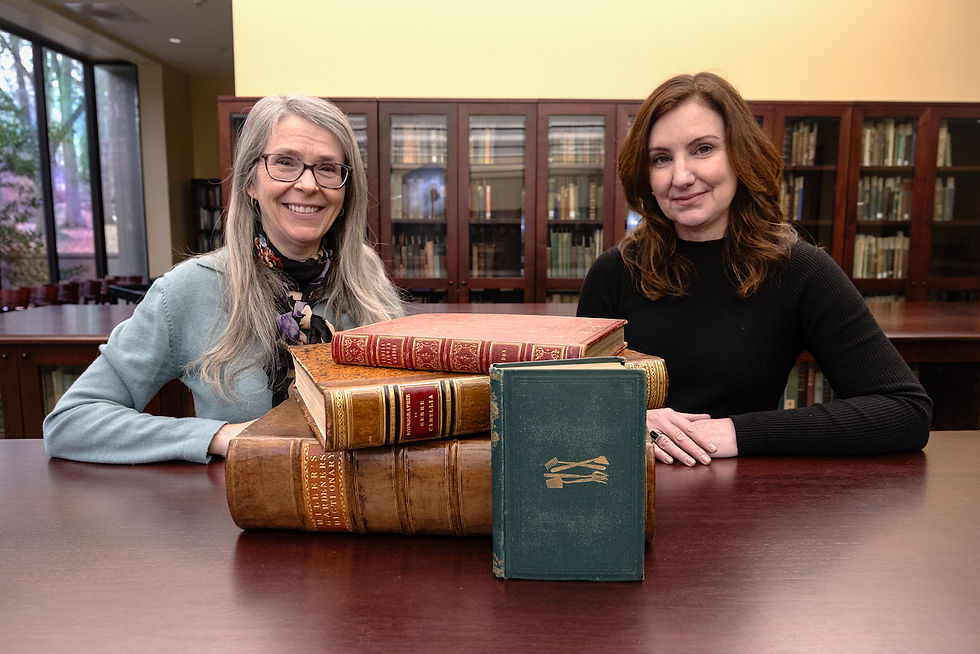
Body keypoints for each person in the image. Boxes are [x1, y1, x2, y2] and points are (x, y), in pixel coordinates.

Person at [577, 72, 932, 466]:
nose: (680, 176)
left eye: (703, 149)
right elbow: (569, 406)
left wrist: (736, 431)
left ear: (740, 155)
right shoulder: (615, 271)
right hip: (623, 488)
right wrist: (626, 420)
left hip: (745, 498)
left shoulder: (800, 269)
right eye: (661, 158)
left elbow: (905, 411)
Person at [44, 94, 404, 464]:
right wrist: (219, 435)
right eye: (284, 162)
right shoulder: (187, 290)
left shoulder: (367, 276)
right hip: (239, 513)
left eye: (328, 168)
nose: (309, 184)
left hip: (362, 508)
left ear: (345, 190)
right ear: (250, 181)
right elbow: (72, 421)